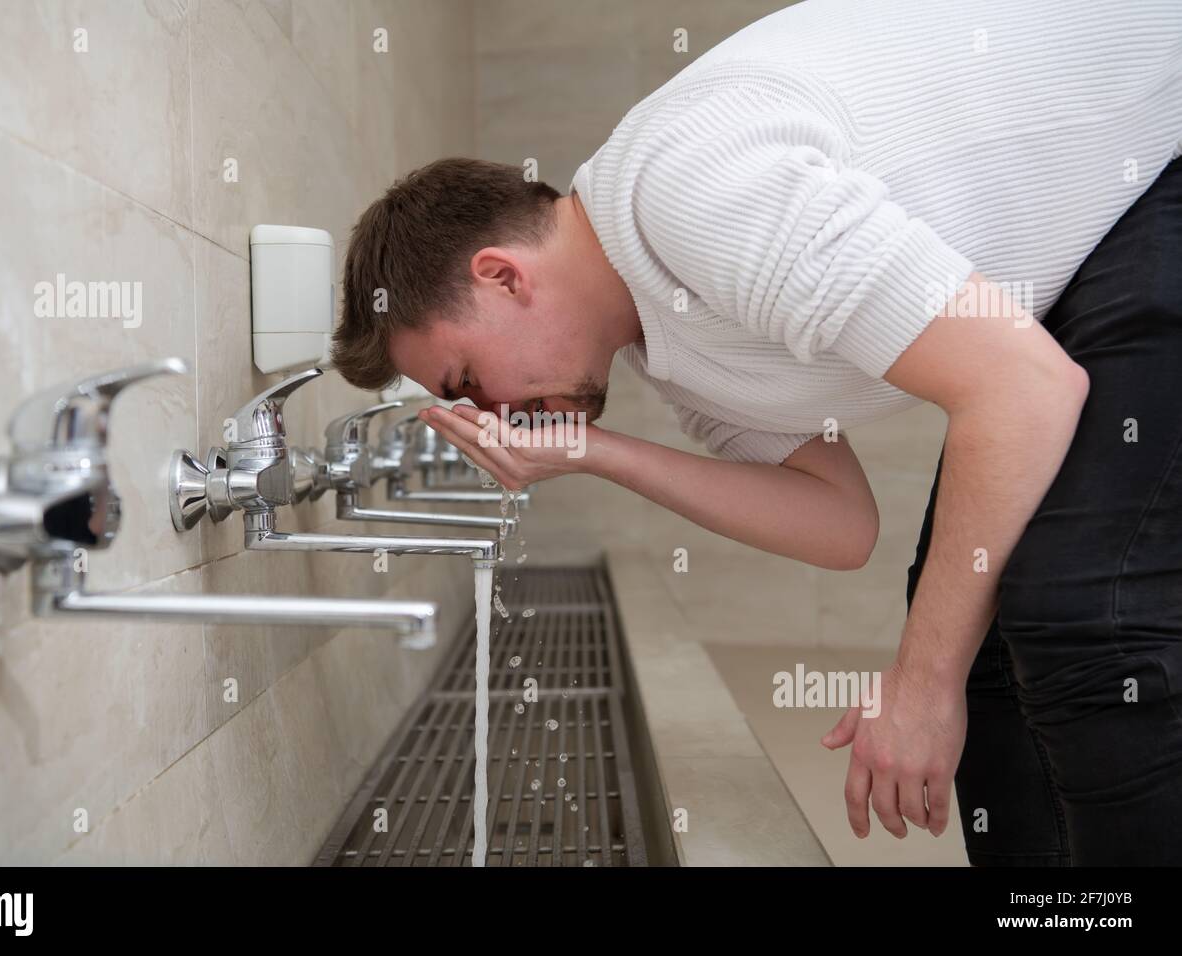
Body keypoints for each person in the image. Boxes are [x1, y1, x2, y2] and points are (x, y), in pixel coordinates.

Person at [330, 0, 1182, 865]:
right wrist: (595, 453)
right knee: (983, 629)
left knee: (1082, 612)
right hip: (1094, 229)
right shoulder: (669, 351)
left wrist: (920, 689)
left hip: (1159, 139)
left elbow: (1022, 392)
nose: (493, 418)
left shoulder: (694, 194)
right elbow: (842, 524)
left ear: (503, 277)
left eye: (468, 381)